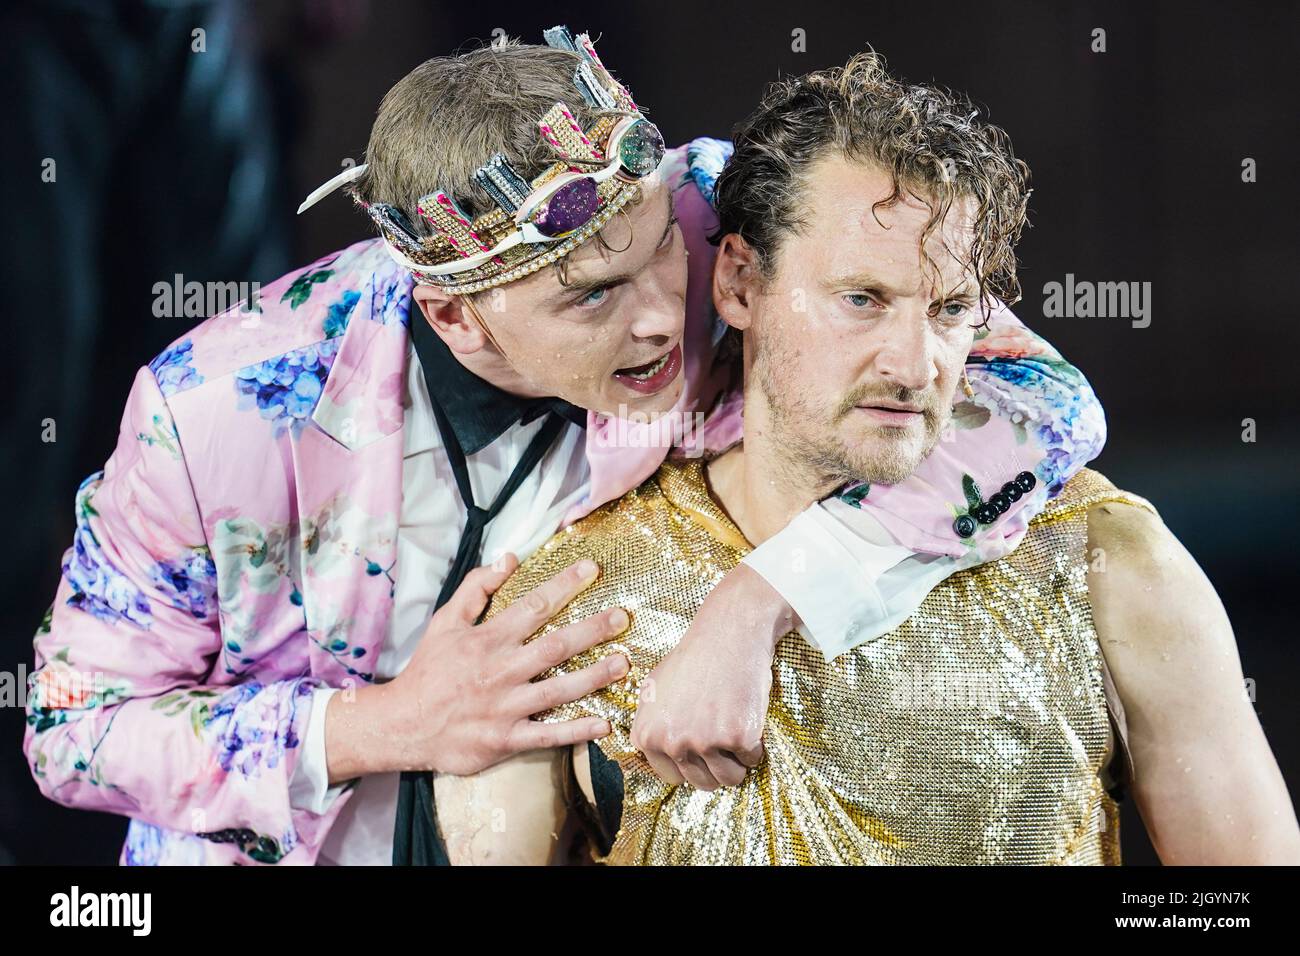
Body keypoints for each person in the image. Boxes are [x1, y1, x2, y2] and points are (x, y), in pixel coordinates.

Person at [24, 28, 1105, 865]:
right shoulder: (217, 407)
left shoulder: (711, 215)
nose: (657, 317)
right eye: (590, 296)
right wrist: (385, 723)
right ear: (457, 315)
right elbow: (72, 731)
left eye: (654, 258)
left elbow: (1040, 397)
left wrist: (769, 593)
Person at [435, 49, 1300, 865]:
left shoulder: (1110, 561)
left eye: (953, 307)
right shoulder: (562, 614)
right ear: (737, 283)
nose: (915, 363)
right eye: (862, 298)